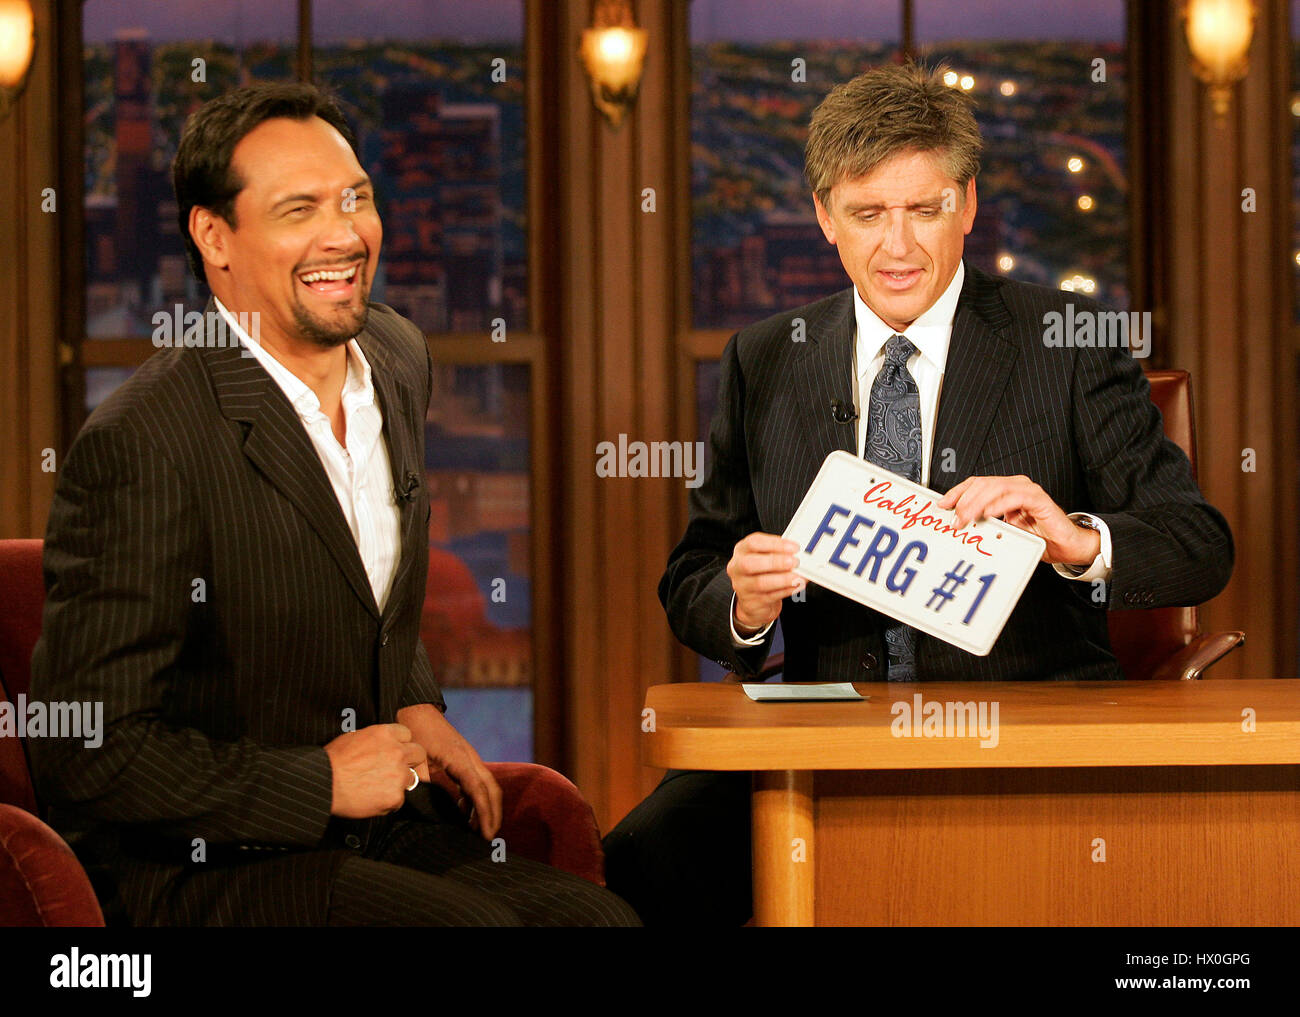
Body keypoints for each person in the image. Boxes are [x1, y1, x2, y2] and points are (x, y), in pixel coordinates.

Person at [602, 62, 1233, 925]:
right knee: (643, 859)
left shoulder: (1069, 346)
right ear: (824, 216)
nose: (898, 248)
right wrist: (742, 604)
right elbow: (693, 579)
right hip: (825, 739)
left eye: (924, 209)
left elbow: (1199, 544)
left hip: (1023, 726)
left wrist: (1078, 541)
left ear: (967, 205)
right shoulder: (766, 357)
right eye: (867, 215)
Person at [28, 82, 638, 927]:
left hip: (377, 829)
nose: (345, 234)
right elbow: (84, 749)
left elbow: (366, 582)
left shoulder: (395, 354)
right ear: (216, 236)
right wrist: (320, 780)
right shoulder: (146, 439)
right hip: (205, 865)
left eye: (357, 198)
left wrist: (416, 696)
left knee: (600, 922)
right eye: (299, 208)